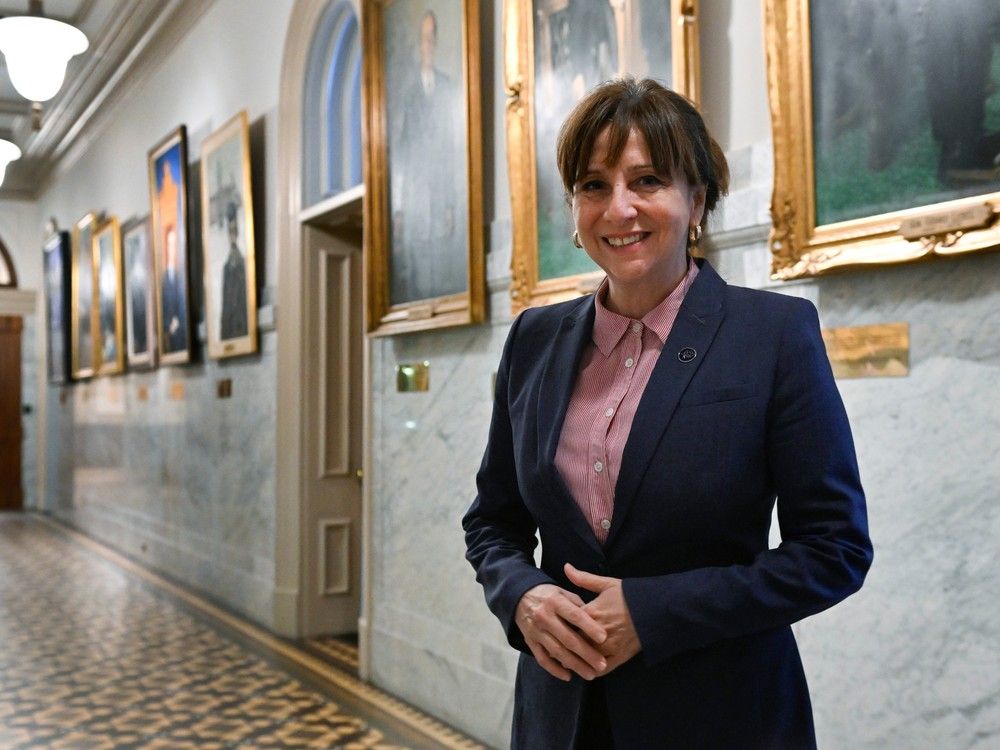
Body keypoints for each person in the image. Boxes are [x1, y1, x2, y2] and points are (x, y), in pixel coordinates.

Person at [463, 78, 872, 749]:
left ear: (698, 200)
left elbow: (833, 550)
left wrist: (655, 613)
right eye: (593, 186)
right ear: (574, 208)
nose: (618, 207)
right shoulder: (533, 339)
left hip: (719, 714)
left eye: (647, 179)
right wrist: (520, 597)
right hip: (560, 718)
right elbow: (493, 522)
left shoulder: (773, 335)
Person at [220, 202, 248, 340]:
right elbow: (225, 311)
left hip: (241, 328)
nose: (232, 237)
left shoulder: (244, 265)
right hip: (230, 331)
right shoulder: (226, 268)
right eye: (229, 232)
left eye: (234, 231)